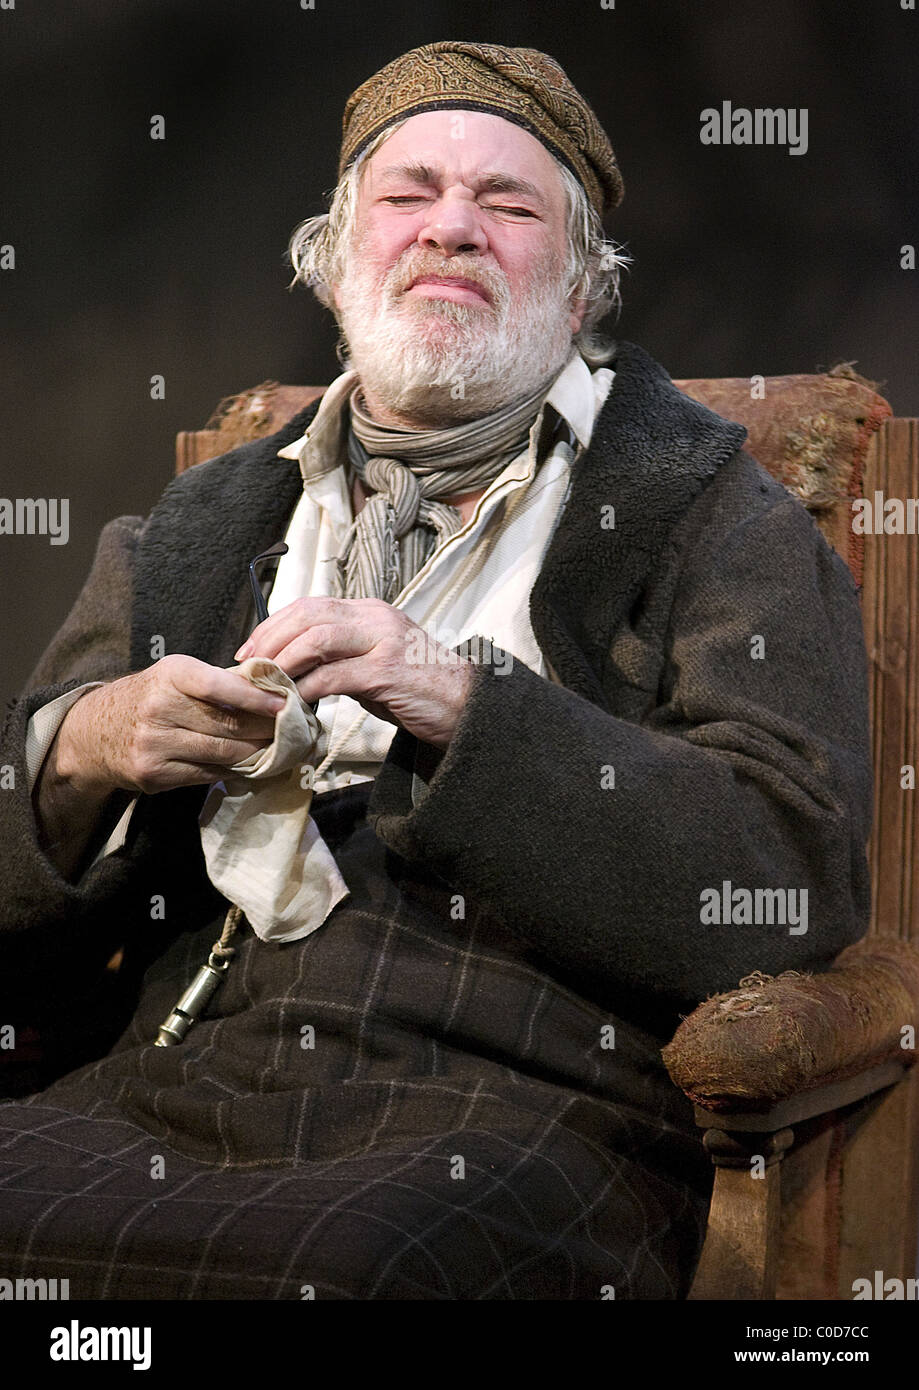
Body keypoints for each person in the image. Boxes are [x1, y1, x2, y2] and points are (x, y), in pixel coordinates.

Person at [0, 41, 872, 1300]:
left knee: (350, 1268)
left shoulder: (710, 515)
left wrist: (464, 704)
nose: (451, 228)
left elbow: (790, 875)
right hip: (184, 1069)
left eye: (509, 205)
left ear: (578, 291)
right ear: (334, 264)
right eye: (407, 196)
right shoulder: (198, 526)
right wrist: (82, 747)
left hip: (521, 1100)